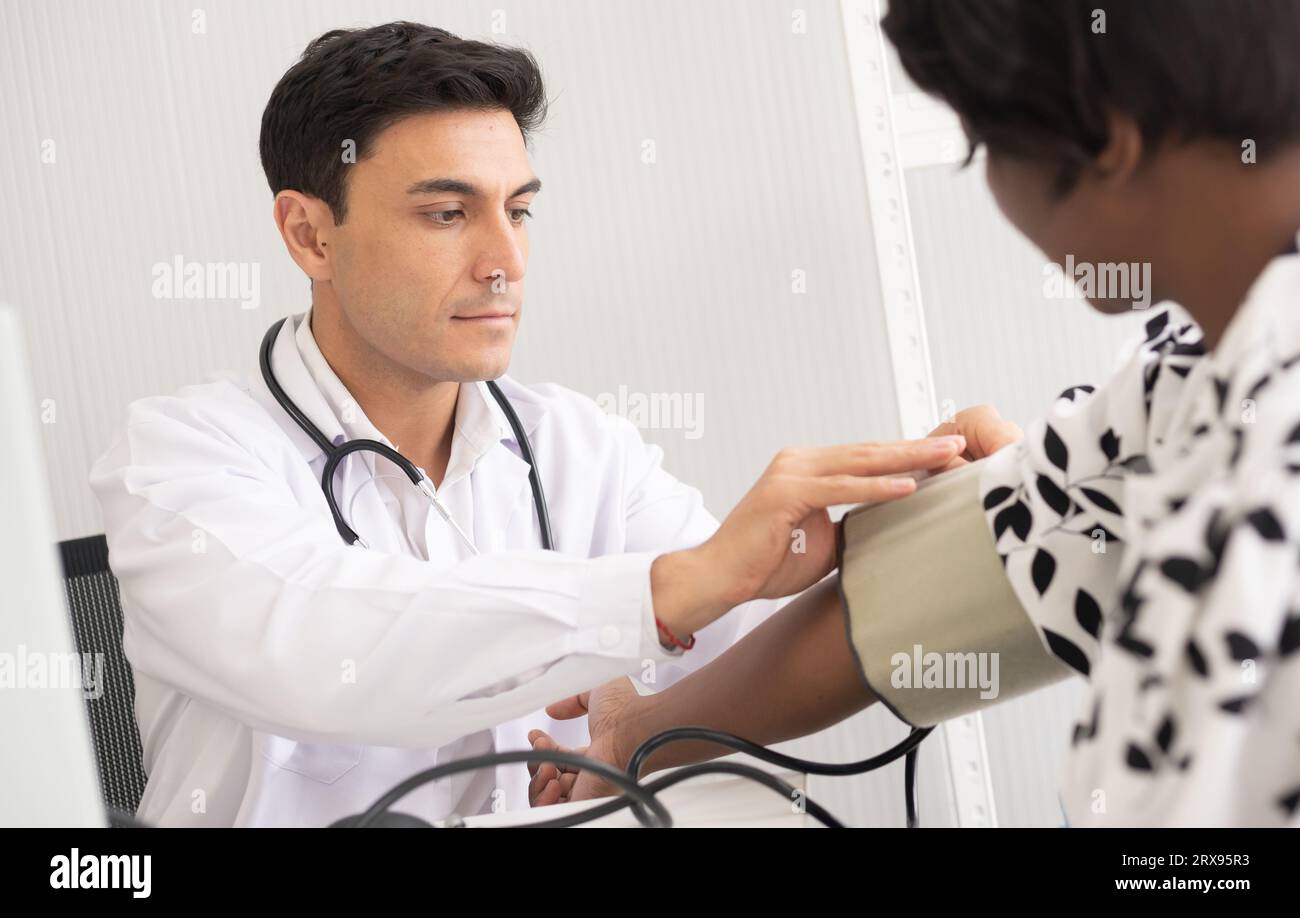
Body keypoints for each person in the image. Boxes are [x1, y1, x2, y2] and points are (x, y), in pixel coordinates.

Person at [88, 22, 970, 827]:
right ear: (311, 235)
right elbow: (327, 646)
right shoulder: (177, 456)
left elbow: (760, 647)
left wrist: (965, 531)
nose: (506, 262)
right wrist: (671, 589)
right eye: (447, 214)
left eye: (518, 210)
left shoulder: (577, 447)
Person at [531, 0, 1300, 827]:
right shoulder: (1189, 373)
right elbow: (987, 562)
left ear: (1111, 136)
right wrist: (628, 737)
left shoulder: (1265, 449)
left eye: (984, 145)